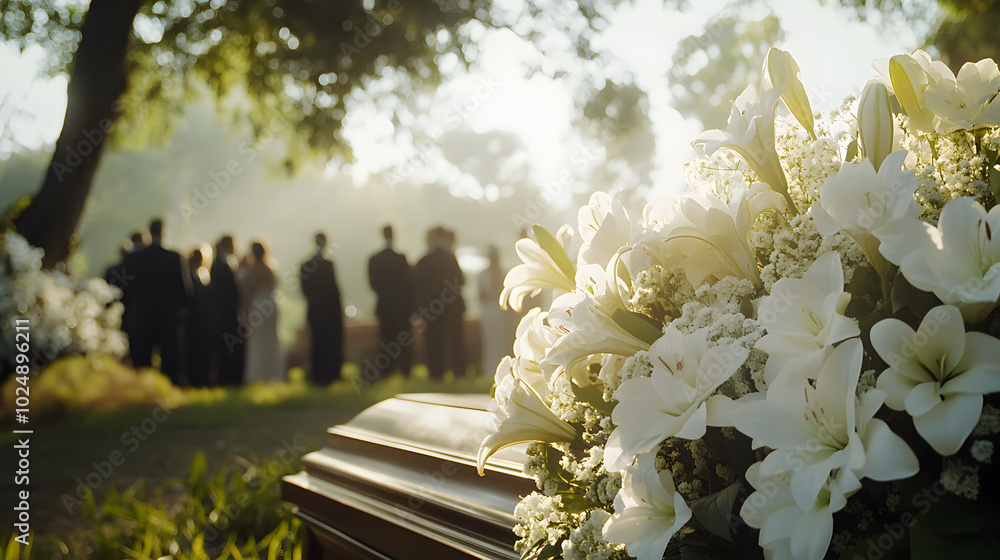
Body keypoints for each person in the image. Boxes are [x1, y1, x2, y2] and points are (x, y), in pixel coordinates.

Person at [126, 219, 191, 384]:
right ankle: (169, 393)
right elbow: (186, 291)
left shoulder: (135, 258)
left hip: (143, 316)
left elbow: (128, 288)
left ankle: (142, 393)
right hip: (168, 317)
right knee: (170, 360)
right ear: (163, 232)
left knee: (142, 359)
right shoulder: (175, 257)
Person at [415, 226, 466, 380]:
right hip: (453, 308)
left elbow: (417, 287)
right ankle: (459, 371)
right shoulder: (450, 257)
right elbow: (461, 281)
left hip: (432, 309)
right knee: (456, 341)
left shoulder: (423, 261)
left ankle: (436, 373)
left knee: (433, 342)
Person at [367, 225, 416, 377]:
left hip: (385, 306)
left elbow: (373, 283)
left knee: (386, 339)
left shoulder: (374, 259)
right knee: (403, 340)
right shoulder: (401, 258)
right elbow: (409, 283)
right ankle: (405, 370)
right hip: (402, 306)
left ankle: (385, 371)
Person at [300, 233, 343, 384]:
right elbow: (334, 291)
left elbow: (304, 291)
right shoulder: (327, 265)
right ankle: (329, 374)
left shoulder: (305, 265)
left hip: (316, 312)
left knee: (318, 344)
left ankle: (318, 375)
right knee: (327, 343)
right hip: (329, 313)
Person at [240, 241, 284, 383]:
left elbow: (247, 292)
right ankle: (272, 373)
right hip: (271, 305)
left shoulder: (251, 270)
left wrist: (245, 312)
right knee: (271, 338)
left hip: (258, 305)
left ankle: (257, 374)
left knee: (258, 340)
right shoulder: (271, 268)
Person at [210, 236, 244, 386]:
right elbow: (230, 292)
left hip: (225, 314)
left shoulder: (222, 264)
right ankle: (228, 378)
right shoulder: (221, 266)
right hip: (226, 314)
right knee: (228, 346)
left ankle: (229, 377)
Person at [478, 245, 517, 376]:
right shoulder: (483, 274)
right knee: (490, 340)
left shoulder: (503, 272)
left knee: (502, 339)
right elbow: (480, 293)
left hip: (500, 311)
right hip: (489, 312)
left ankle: (504, 369)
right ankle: (489, 369)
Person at [184, 247, 213, 387]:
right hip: (192, 320)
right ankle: (193, 379)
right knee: (193, 350)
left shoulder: (204, 274)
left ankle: (202, 378)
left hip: (203, 320)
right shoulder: (187, 275)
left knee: (202, 349)